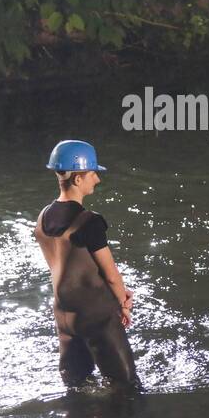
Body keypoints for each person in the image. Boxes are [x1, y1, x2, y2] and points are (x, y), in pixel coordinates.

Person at [34, 140, 138, 391]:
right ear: (78, 178)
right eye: (93, 173)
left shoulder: (43, 217)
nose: (97, 180)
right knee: (127, 389)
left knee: (76, 390)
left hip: (64, 317)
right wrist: (123, 303)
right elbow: (110, 274)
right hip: (96, 317)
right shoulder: (89, 222)